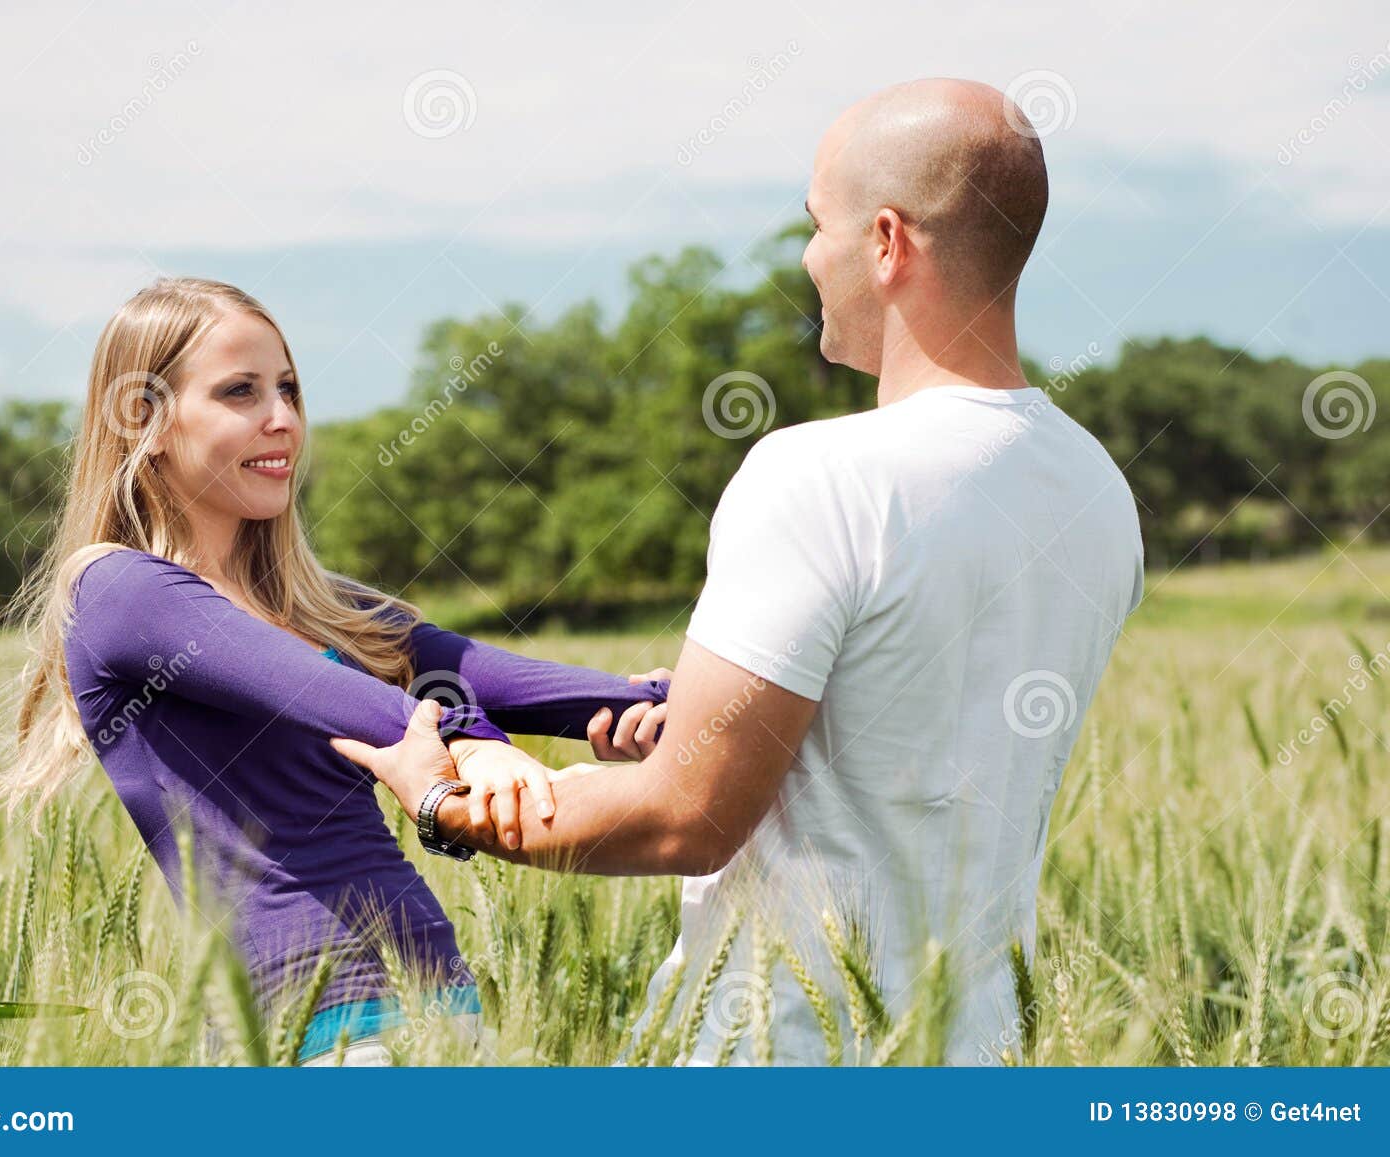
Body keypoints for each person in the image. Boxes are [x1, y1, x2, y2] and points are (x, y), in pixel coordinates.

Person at [334, 78, 1147, 1065]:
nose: (808, 259)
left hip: (782, 1051)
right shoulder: (1097, 492)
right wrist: (733, 732)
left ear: (887, 242)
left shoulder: (818, 476)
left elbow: (686, 821)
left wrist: (443, 797)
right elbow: (914, 734)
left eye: (817, 226)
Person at [0, 276, 671, 1065]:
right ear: (145, 417)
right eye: (240, 392)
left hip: (444, 1009)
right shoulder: (120, 591)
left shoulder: (320, 607)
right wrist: (474, 745)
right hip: (313, 1037)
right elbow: (340, 698)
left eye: (289, 389)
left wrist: (666, 703)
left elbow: (492, 674)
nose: (282, 419)